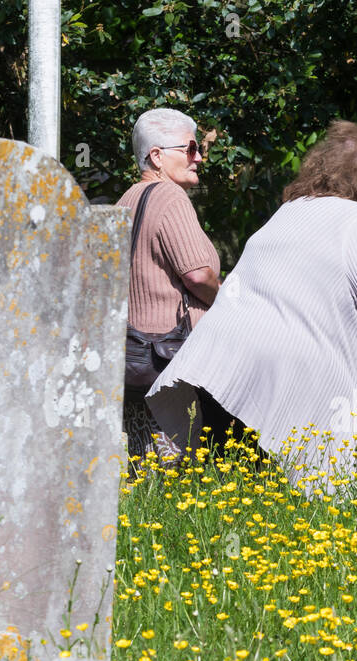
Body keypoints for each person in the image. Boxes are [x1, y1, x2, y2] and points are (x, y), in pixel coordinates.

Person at [146, 119, 357, 494]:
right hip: (287, 370)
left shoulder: (289, 211)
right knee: (298, 489)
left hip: (223, 368)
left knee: (233, 484)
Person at [117, 108, 221, 466]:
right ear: (156, 156)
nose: (199, 158)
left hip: (131, 355)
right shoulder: (170, 196)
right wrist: (225, 301)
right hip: (168, 359)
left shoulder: (127, 199)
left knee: (141, 467)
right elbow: (198, 275)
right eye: (190, 148)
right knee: (178, 466)